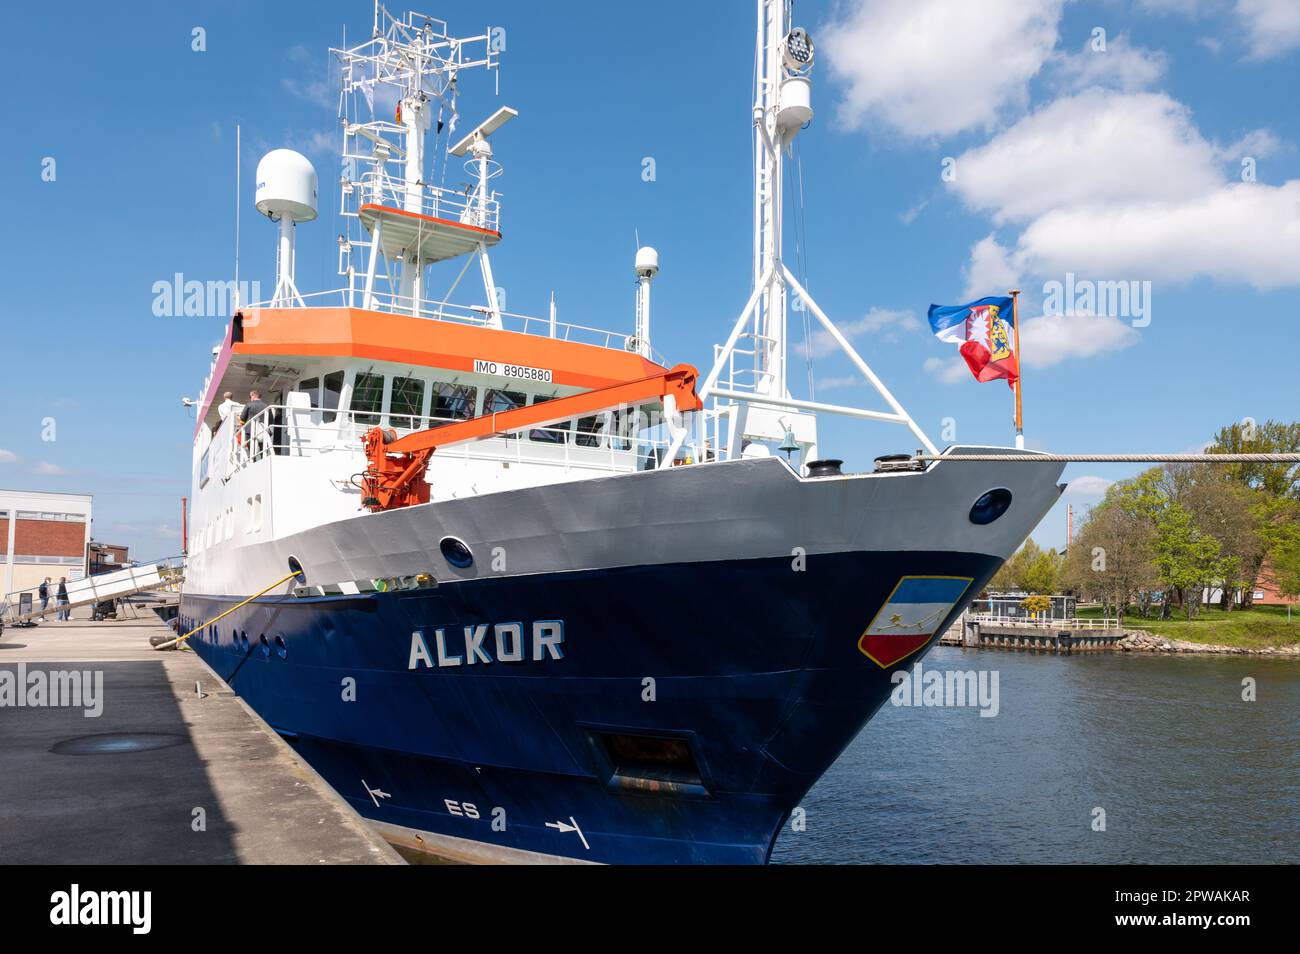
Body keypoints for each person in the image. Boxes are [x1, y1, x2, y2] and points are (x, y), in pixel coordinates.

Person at [240, 389, 268, 459]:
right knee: (263, 448)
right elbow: (270, 419)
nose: (250, 398)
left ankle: (253, 461)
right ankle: (263, 459)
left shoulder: (249, 405)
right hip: (262, 429)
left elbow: (242, 417)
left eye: (250, 396)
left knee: (252, 448)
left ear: (253, 395)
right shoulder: (266, 406)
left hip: (250, 430)